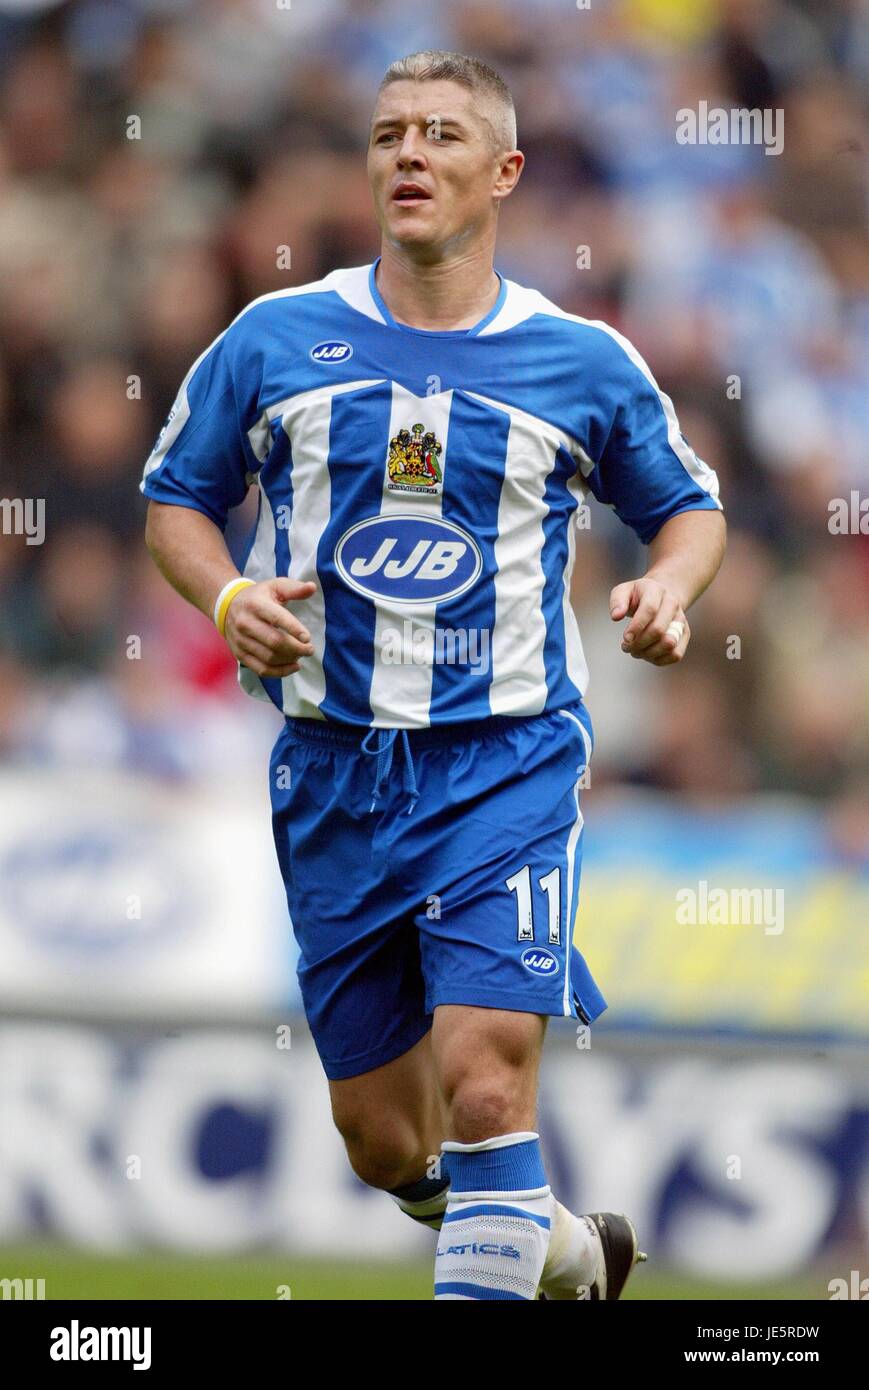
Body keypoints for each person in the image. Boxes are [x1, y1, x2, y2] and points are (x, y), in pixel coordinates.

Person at [141, 49, 726, 1301]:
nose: (409, 153)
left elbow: (687, 510)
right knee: (386, 1142)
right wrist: (231, 596)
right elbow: (175, 502)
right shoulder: (274, 338)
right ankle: (565, 1252)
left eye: (442, 136)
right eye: (389, 133)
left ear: (504, 171)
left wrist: (668, 587)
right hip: (332, 775)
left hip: (503, 762)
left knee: (484, 1080)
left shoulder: (580, 362)